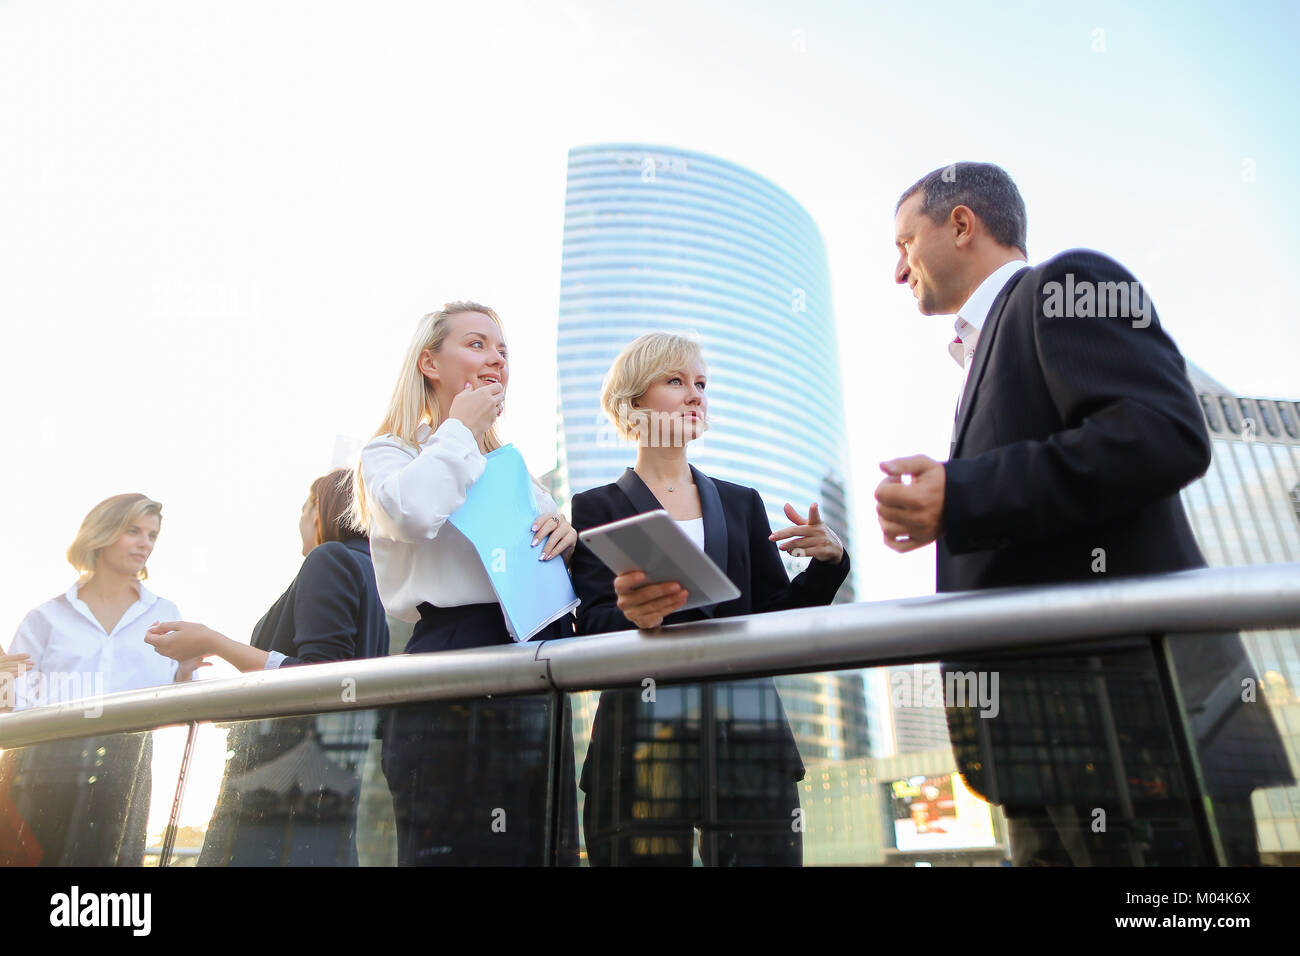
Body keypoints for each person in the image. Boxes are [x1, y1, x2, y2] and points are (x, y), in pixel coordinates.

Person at [876, 161, 1291, 864]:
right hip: (1048, 751)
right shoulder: (981, 356)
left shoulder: (1065, 285)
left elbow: (1163, 432)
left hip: (1136, 736)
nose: (896, 270)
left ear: (962, 224)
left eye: (903, 243)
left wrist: (962, 493)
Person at [571, 331, 850, 866]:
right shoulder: (595, 507)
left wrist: (828, 565)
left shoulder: (742, 504)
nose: (696, 393)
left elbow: (776, 622)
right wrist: (634, 615)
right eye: (675, 381)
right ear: (633, 405)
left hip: (748, 739)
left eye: (701, 383)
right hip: (639, 747)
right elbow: (592, 625)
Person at [354, 300, 578, 866]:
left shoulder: (513, 469)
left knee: (540, 848)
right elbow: (412, 513)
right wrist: (460, 427)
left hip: (534, 660)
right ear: (429, 362)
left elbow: (540, 565)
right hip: (449, 660)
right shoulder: (391, 453)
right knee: (454, 849)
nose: (497, 359)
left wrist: (564, 534)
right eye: (477, 344)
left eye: (503, 350)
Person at [146, 469, 390, 866]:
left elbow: (318, 677)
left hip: (278, 795)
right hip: (328, 791)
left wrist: (213, 641)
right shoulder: (374, 573)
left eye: (303, 505)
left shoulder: (330, 558)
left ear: (318, 511)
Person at [2, 493, 200, 865]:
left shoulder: (164, 613)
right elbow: (16, 706)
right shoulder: (44, 617)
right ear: (103, 533)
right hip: (45, 767)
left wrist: (186, 675)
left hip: (127, 769)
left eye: (152, 535)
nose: (145, 543)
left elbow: (179, 705)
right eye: (133, 531)